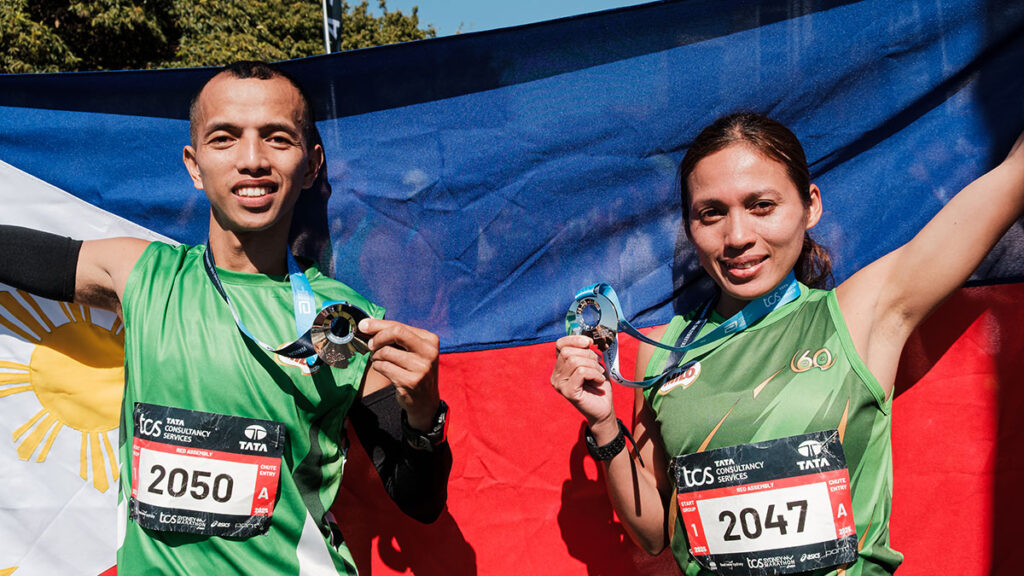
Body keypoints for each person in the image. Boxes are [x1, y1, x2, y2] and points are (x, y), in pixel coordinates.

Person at [0, 61, 451, 575]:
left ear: (311, 165)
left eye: (277, 138)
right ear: (194, 165)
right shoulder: (139, 273)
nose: (252, 159)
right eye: (225, 138)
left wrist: (424, 418)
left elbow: (420, 500)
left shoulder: (345, 321)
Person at [551, 112, 1024, 575]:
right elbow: (654, 533)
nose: (737, 236)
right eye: (712, 213)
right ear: (690, 226)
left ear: (810, 206)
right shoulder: (663, 351)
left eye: (761, 206)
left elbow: (1011, 178)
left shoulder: (860, 314)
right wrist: (604, 426)